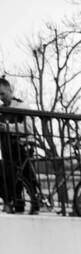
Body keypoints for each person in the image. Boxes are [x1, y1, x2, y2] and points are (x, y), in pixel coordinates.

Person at [0, 76, 38, 214]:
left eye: (2, 93)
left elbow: (28, 128)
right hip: (6, 149)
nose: (1, 97)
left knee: (26, 176)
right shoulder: (1, 110)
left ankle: (35, 205)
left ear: (10, 90)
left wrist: (7, 127)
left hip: (22, 147)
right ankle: (16, 205)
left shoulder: (22, 107)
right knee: (10, 178)